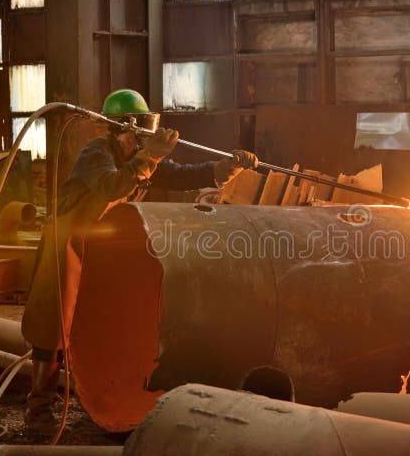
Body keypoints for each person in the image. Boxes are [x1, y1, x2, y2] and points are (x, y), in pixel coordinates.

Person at [21, 88, 258, 435]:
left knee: (105, 319)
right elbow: (111, 187)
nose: (148, 130)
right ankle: (39, 412)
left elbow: (179, 175)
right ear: (126, 126)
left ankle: (102, 394)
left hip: (101, 244)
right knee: (53, 323)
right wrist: (150, 157)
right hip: (67, 242)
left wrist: (224, 169)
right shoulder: (97, 152)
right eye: (143, 124)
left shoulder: (136, 155)